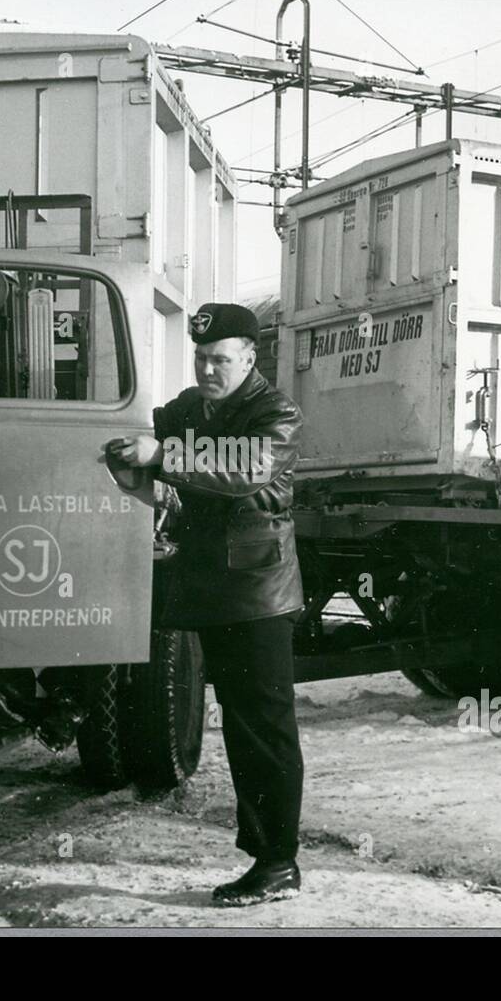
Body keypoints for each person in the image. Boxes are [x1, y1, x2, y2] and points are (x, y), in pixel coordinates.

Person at [113, 301, 307, 906]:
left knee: (262, 727)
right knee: (242, 725)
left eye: (220, 359)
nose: (208, 369)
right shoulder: (188, 409)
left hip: (257, 593)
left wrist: (160, 456)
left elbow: (245, 468)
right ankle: (268, 856)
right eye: (201, 358)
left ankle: (278, 863)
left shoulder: (275, 412)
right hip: (213, 588)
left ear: (249, 358)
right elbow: (146, 428)